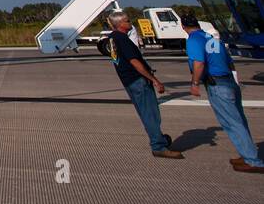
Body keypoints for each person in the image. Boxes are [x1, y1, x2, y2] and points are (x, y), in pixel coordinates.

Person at [183, 13, 263, 172]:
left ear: (183, 27)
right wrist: (234, 80)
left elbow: (199, 62)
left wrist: (194, 83)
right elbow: (229, 61)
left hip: (217, 84)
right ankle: (247, 153)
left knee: (232, 123)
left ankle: (253, 160)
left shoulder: (193, 39)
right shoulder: (211, 38)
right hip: (228, 81)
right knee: (239, 120)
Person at [100, 12, 181, 158]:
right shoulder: (122, 39)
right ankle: (158, 145)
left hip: (128, 80)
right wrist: (154, 79)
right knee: (150, 114)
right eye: (128, 20)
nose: (130, 22)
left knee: (146, 113)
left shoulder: (112, 39)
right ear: (120, 24)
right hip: (137, 80)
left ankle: (160, 139)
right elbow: (135, 62)